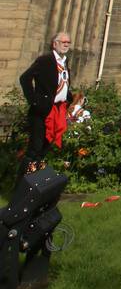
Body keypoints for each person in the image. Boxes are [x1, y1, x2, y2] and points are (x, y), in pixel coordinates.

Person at [18, 33, 73, 180]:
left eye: (68, 42)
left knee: (44, 150)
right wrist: (35, 101)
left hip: (56, 110)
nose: (66, 44)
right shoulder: (45, 60)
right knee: (35, 149)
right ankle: (21, 186)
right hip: (42, 111)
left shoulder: (64, 61)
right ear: (54, 44)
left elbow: (61, 82)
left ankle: (35, 183)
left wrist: (68, 97)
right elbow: (25, 78)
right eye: (63, 42)